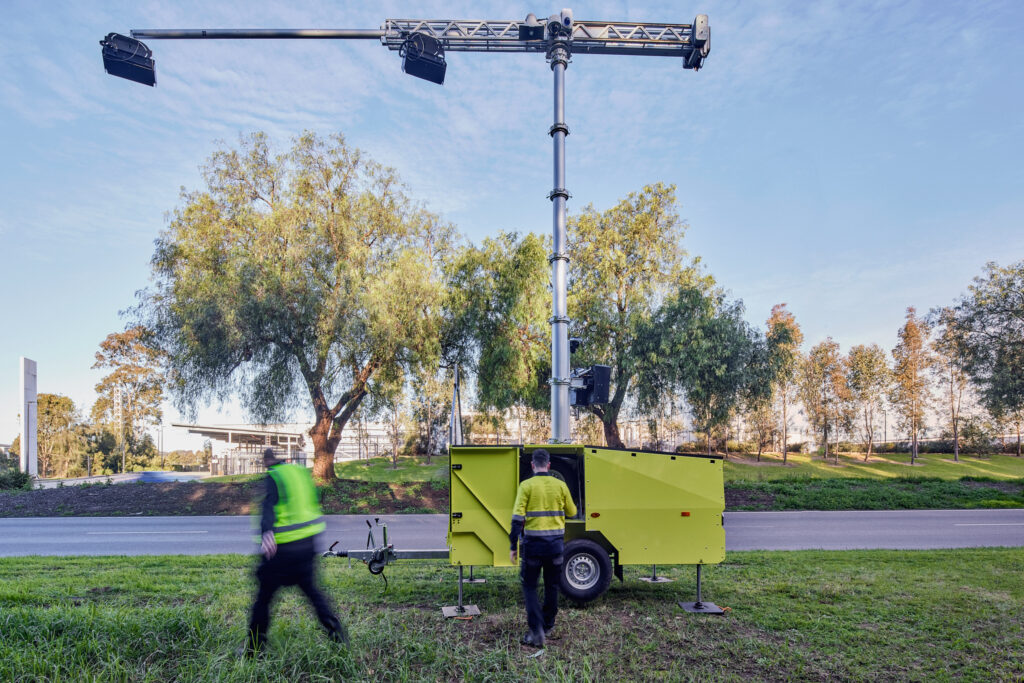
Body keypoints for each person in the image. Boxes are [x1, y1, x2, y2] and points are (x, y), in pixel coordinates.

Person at [240, 448, 348, 655]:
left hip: (281, 548)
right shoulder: (300, 472)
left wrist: (267, 532)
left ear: (267, 461)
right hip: (308, 544)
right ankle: (337, 635)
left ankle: (254, 649)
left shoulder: (275, 475)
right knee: (313, 592)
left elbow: (269, 506)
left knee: (264, 598)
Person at [509, 448, 577, 648]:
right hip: (555, 547)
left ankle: (535, 629)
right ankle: (547, 625)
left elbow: (517, 519)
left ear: (532, 465)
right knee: (551, 586)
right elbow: (572, 512)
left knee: (530, 586)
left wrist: (513, 545)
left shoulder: (526, 485)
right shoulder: (560, 485)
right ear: (548, 465)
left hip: (533, 548)